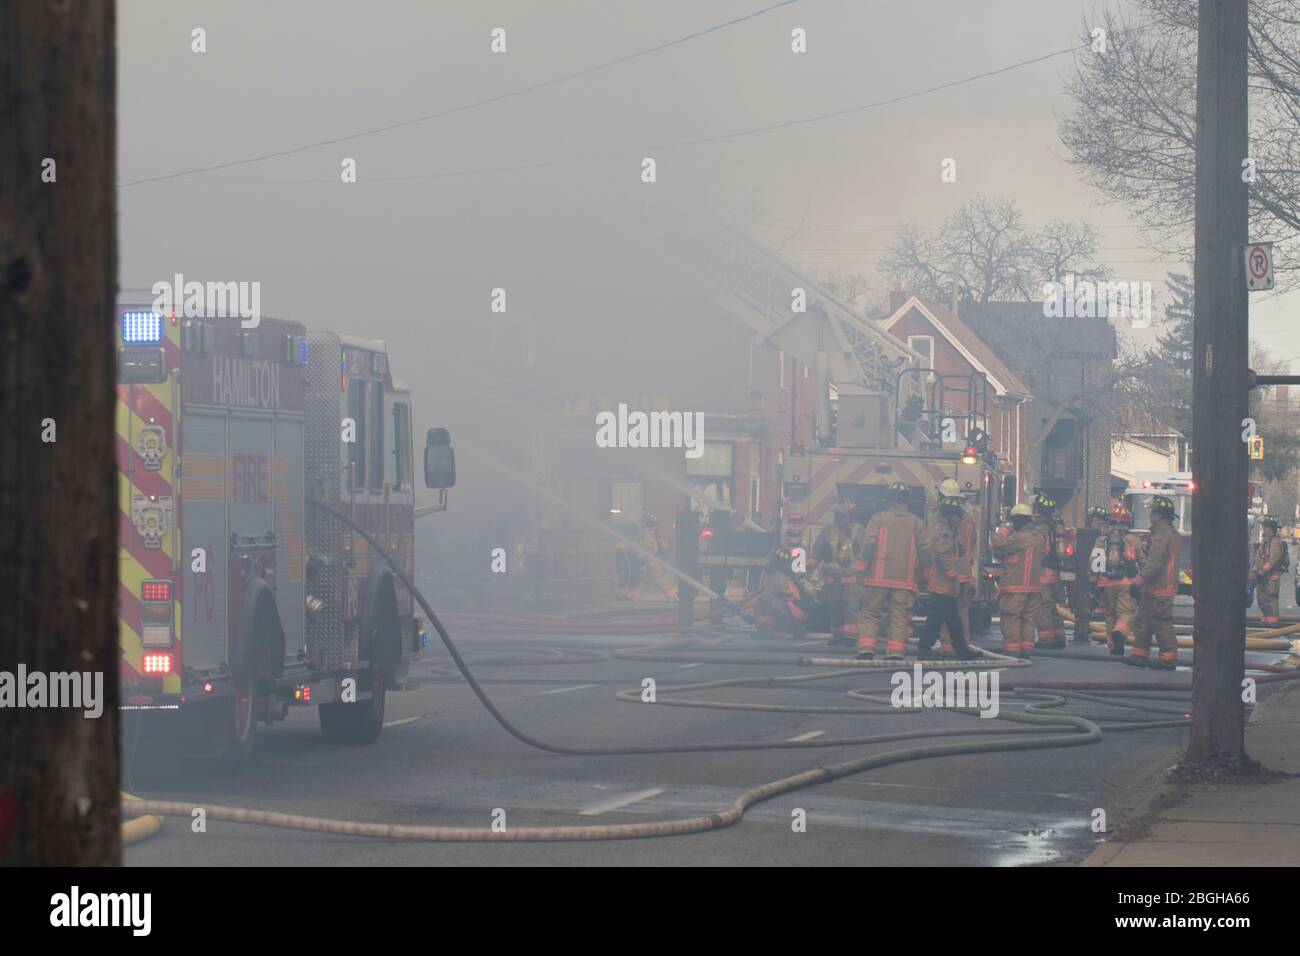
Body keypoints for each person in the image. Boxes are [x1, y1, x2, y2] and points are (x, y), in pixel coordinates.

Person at [857, 481, 928, 660]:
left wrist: (861, 565)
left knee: (870, 612)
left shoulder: (877, 519)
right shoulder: (917, 523)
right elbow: (925, 549)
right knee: (899, 616)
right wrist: (926, 574)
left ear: (887, 499)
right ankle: (896, 651)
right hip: (905, 579)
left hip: (877, 578)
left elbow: (869, 543)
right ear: (907, 501)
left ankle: (866, 648)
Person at [918, 495, 978, 659]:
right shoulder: (945, 533)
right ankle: (960, 650)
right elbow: (942, 556)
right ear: (951, 515)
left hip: (942, 583)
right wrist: (954, 576)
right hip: (942, 583)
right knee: (952, 620)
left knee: (937, 619)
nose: (960, 520)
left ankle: (925, 650)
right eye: (958, 516)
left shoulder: (947, 529)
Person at [1128, 495, 1182, 669]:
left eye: (1153, 511)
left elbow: (1155, 562)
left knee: (1161, 624)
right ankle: (1139, 655)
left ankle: (1168, 659)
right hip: (1154, 588)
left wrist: (1139, 580)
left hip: (1160, 587)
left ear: (1160, 514)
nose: (1151, 514)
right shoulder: (1164, 532)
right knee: (1143, 620)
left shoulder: (1162, 534)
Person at [993, 503, 1044, 659]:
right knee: (1028, 619)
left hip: (1015, 586)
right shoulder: (1039, 538)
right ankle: (1026, 650)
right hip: (1034, 588)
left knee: (1011, 617)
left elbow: (997, 546)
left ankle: (1013, 651)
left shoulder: (1019, 538)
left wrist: (1004, 529)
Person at [811, 499, 864, 647]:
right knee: (834, 607)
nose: (842, 520)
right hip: (832, 579)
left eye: (844, 517)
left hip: (851, 580)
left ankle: (851, 635)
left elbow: (866, 554)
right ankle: (837, 635)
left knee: (850, 607)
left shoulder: (859, 531)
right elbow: (817, 552)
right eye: (839, 516)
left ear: (851, 517)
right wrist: (810, 565)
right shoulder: (827, 531)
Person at [1099, 504, 1143, 656]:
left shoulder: (1101, 540)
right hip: (1126, 583)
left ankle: (1113, 645)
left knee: (1109, 614)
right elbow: (1142, 561)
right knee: (1126, 612)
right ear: (1128, 522)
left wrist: (1094, 584)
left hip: (1106, 583)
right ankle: (1120, 632)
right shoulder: (1134, 540)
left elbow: (1093, 563)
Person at [1030, 493, 1067, 649]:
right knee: (1052, 607)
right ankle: (1059, 636)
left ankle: (1046, 639)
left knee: (1042, 608)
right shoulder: (1054, 527)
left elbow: (1033, 550)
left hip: (1042, 574)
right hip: (1054, 575)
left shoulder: (1039, 529)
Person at [748, 548, 808, 639]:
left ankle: (776, 629)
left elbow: (764, 597)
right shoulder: (789, 576)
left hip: (789, 616)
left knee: (765, 599)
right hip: (794, 617)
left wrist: (747, 609)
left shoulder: (777, 577)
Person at [1072, 505, 1110, 643]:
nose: (1096, 523)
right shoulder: (1109, 536)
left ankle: (1083, 631)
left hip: (1094, 576)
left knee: (1087, 602)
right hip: (1107, 576)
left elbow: (1093, 559)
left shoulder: (1093, 537)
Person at [635, 513, 678, 604]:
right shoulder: (654, 533)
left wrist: (647, 558)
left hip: (651, 561)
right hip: (649, 561)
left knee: (658, 579)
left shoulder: (648, 533)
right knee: (643, 579)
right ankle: (634, 595)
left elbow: (653, 548)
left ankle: (672, 595)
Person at [1253, 517, 1286, 626]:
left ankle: (1273, 618)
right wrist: (1255, 569)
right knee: (1261, 596)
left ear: (1271, 529)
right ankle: (1267, 616)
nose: (1263, 528)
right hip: (1263, 574)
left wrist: (1264, 569)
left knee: (1270, 596)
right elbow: (1259, 557)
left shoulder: (1275, 541)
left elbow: (1274, 558)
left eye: (1265, 527)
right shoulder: (1264, 541)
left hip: (1271, 575)